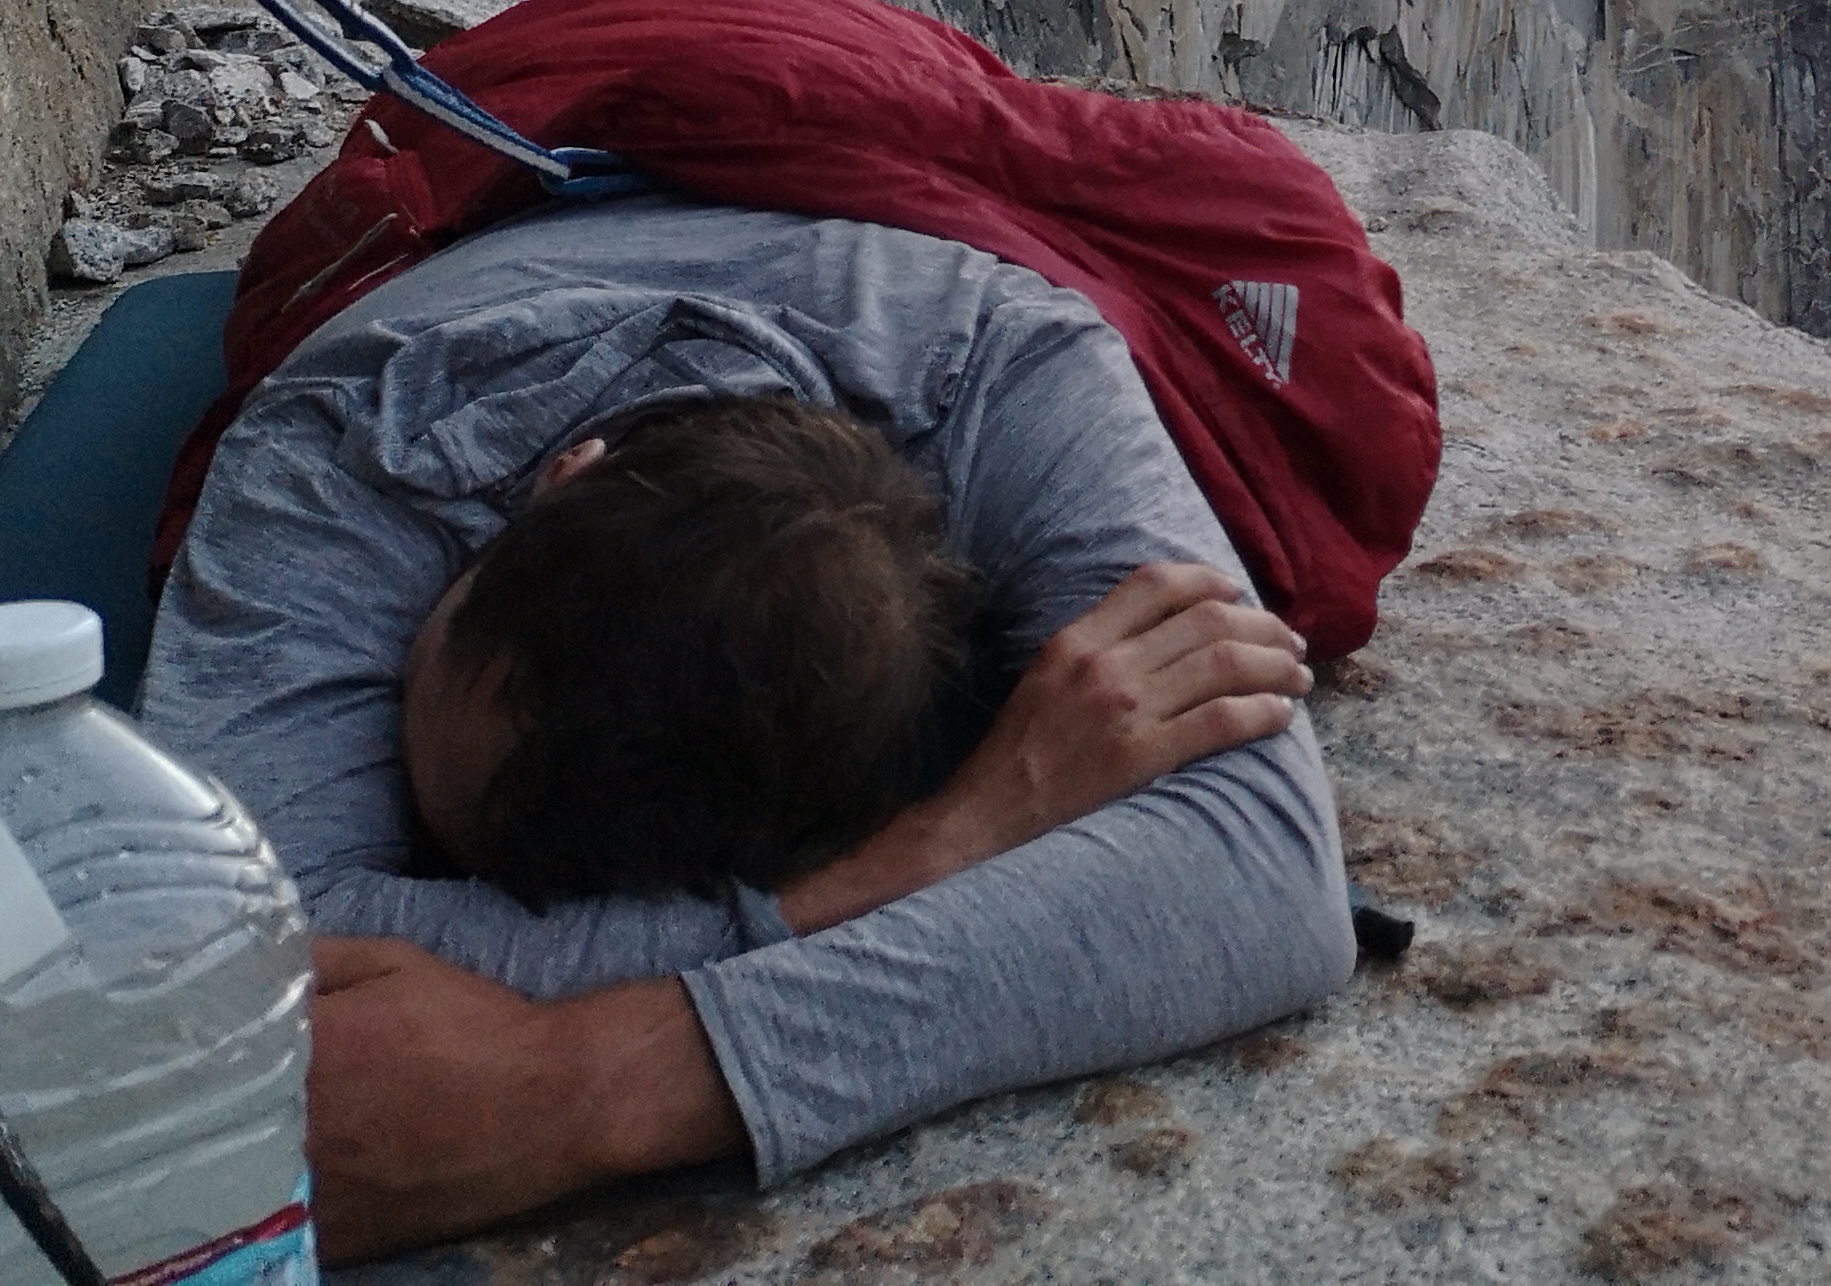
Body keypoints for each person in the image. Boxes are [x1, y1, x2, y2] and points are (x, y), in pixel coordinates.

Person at [138, 187, 1355, 1261]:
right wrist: (927, 853)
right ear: (560, 478)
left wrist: (576, 1092)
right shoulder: (343, 457)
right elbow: (256, 945)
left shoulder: (1015, 367)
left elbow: (1265, 882)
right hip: (525, 228)